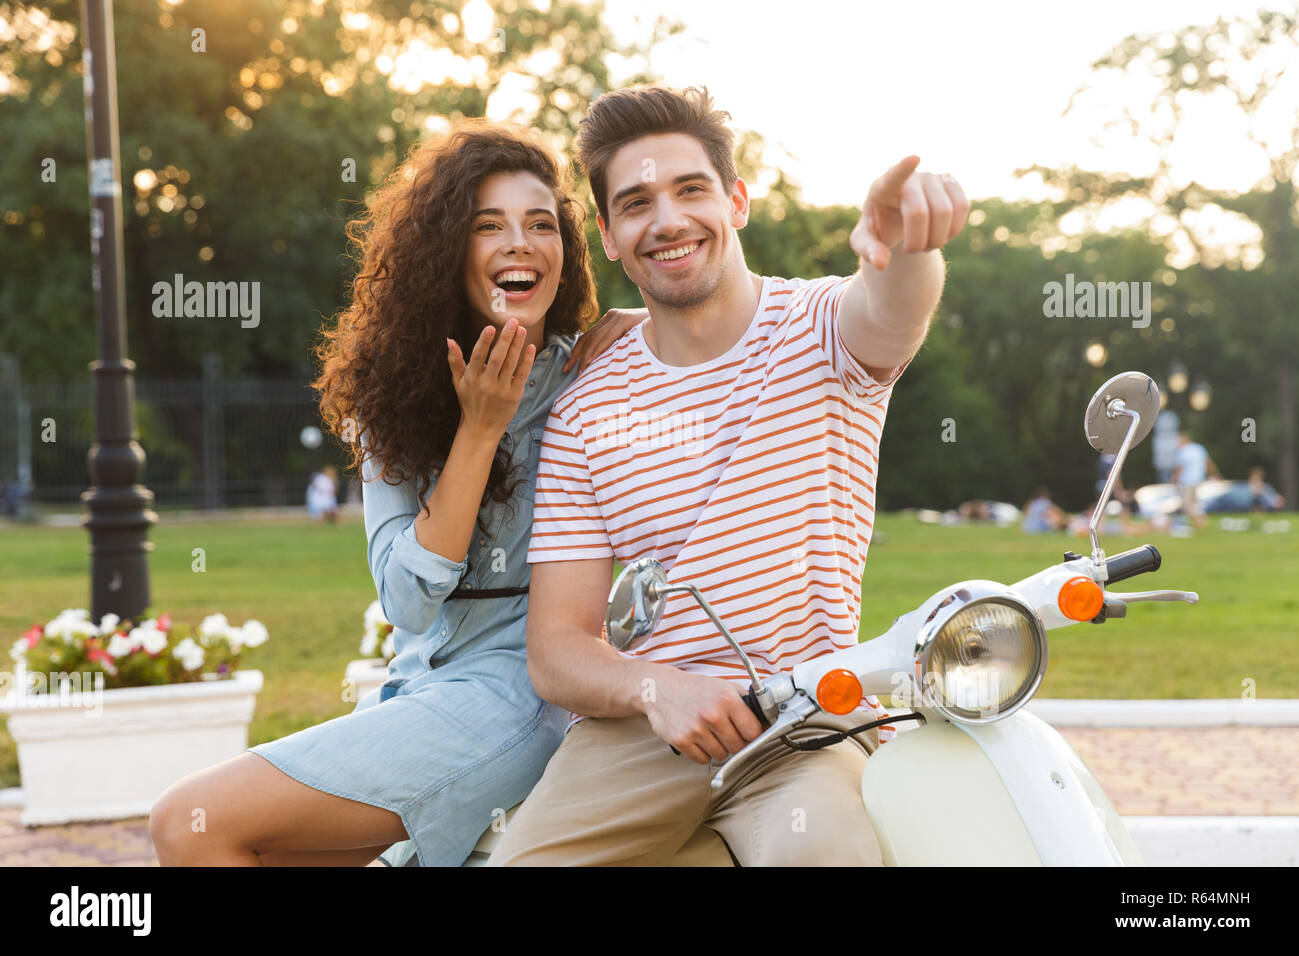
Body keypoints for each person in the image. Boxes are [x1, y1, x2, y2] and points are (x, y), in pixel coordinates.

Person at [487, 86, 969, 866]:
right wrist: (657, 689)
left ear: (737, 200)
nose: (668, 220)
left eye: (690, 190)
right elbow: (556, 648)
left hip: (803, 727)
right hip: (640, 738)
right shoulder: (583, 411)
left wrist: (904, 245)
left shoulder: (820, 330)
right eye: (636, 203)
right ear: (608, 236)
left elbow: (893, 310)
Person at [149, 121, 640, 866]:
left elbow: (707, 336)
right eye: (489, 226)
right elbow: (407, 601)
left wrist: (640, 319)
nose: (521, 243)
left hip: (521, 699)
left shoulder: (592, 374)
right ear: (448, 251)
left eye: (542, 225)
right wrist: (478, 430)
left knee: (191, 819)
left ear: (566, 251)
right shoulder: (392, 399)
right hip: (419, 687)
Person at [1171, 432, 1220, 530]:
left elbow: (1179, 468)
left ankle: (1201, 520)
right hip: (1198, 480)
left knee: (1187, 504)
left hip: (1187, 481)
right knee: (1193, 504)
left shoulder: (1184, 451)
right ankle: (1199, 522)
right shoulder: (1199, 448)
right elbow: (1208, 463)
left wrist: (1174, 481)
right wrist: (1214, 474)